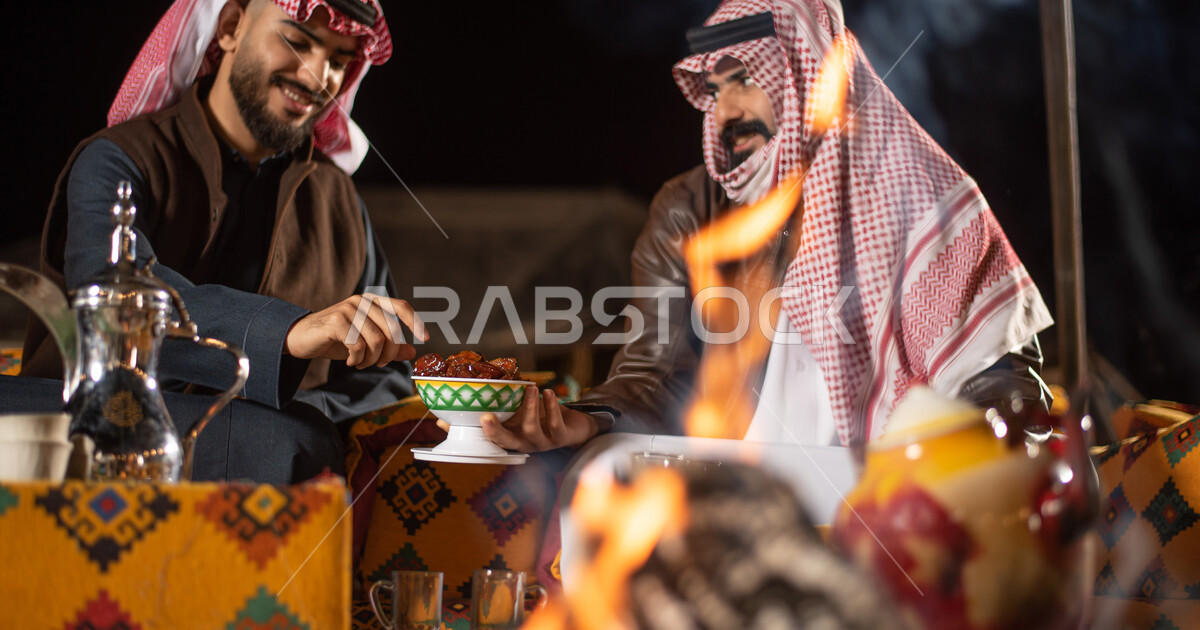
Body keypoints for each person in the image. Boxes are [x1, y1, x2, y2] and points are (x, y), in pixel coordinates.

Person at [483, 0, 1052, 454]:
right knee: (591, 476)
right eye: (714, 90)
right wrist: (584, 422)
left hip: (893, 489)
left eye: (743, 81)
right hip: (745, 489)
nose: (724, 112)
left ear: (807, 73)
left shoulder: (918, 194)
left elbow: (1000, 376)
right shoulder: (688, 208)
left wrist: (991, 445)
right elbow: (651, 376)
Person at [7, 0, 427, 483]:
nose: (317, 77)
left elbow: (388, 377)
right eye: (298, 40)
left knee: (287, 437)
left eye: (337, 60)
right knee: (283, 444)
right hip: (89, 423)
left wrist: (292, 405)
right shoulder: (117, 161)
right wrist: (287, 335)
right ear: (229, 28)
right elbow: (116, 300)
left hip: (272, 438)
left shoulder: (339, 203)